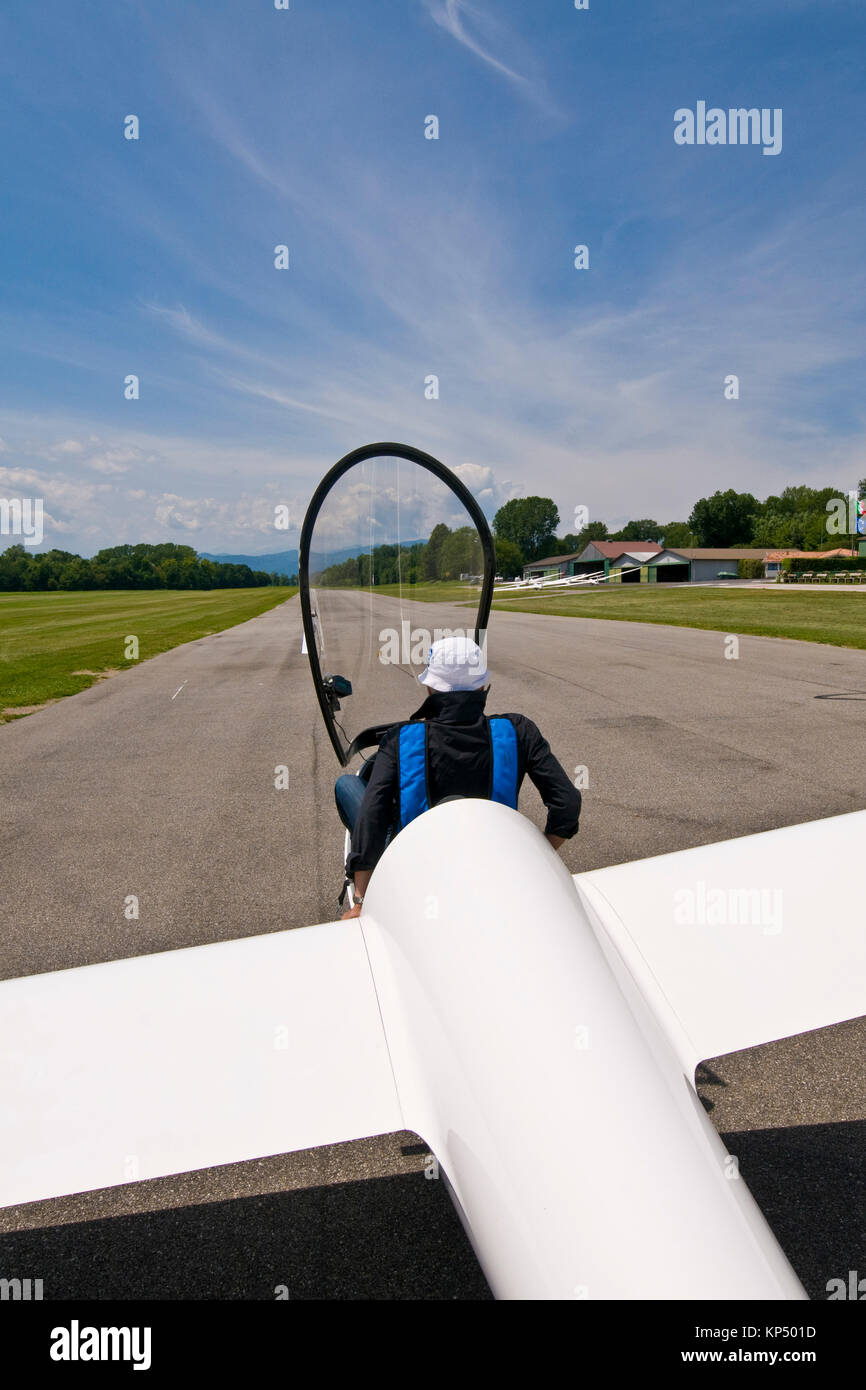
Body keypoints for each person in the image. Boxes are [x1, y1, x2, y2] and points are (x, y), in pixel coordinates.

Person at [335, 636, 581, 920]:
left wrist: (361, 901)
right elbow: (568, 803)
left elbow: (372, 815)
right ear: (481, 687)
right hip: (492, 859)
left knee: (347, 785)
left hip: (417, 863)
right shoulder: (518, 730)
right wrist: (537, 858)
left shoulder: (401, 739)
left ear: (430, 688)